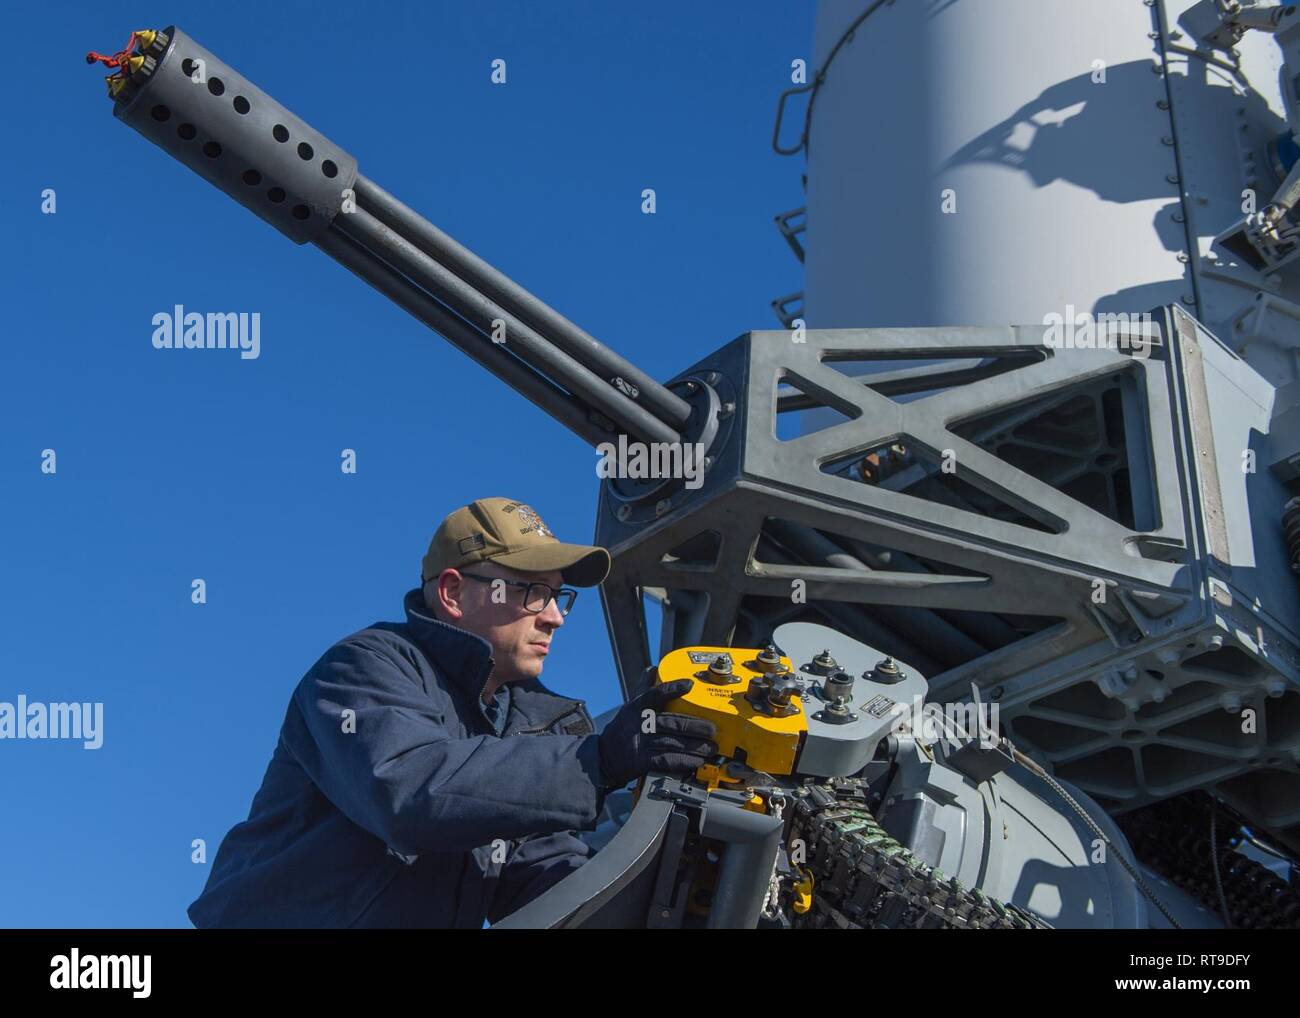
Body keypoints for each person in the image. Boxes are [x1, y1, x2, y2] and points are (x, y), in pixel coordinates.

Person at [187, 496, 717, 927]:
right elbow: (407, 791)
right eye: (534, 592)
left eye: (560, 597)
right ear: (453, 593)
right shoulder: (364, 667)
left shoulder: (526, 731)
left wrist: (682, 883)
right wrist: (594, 761)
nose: (555, 618)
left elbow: (541, 883)